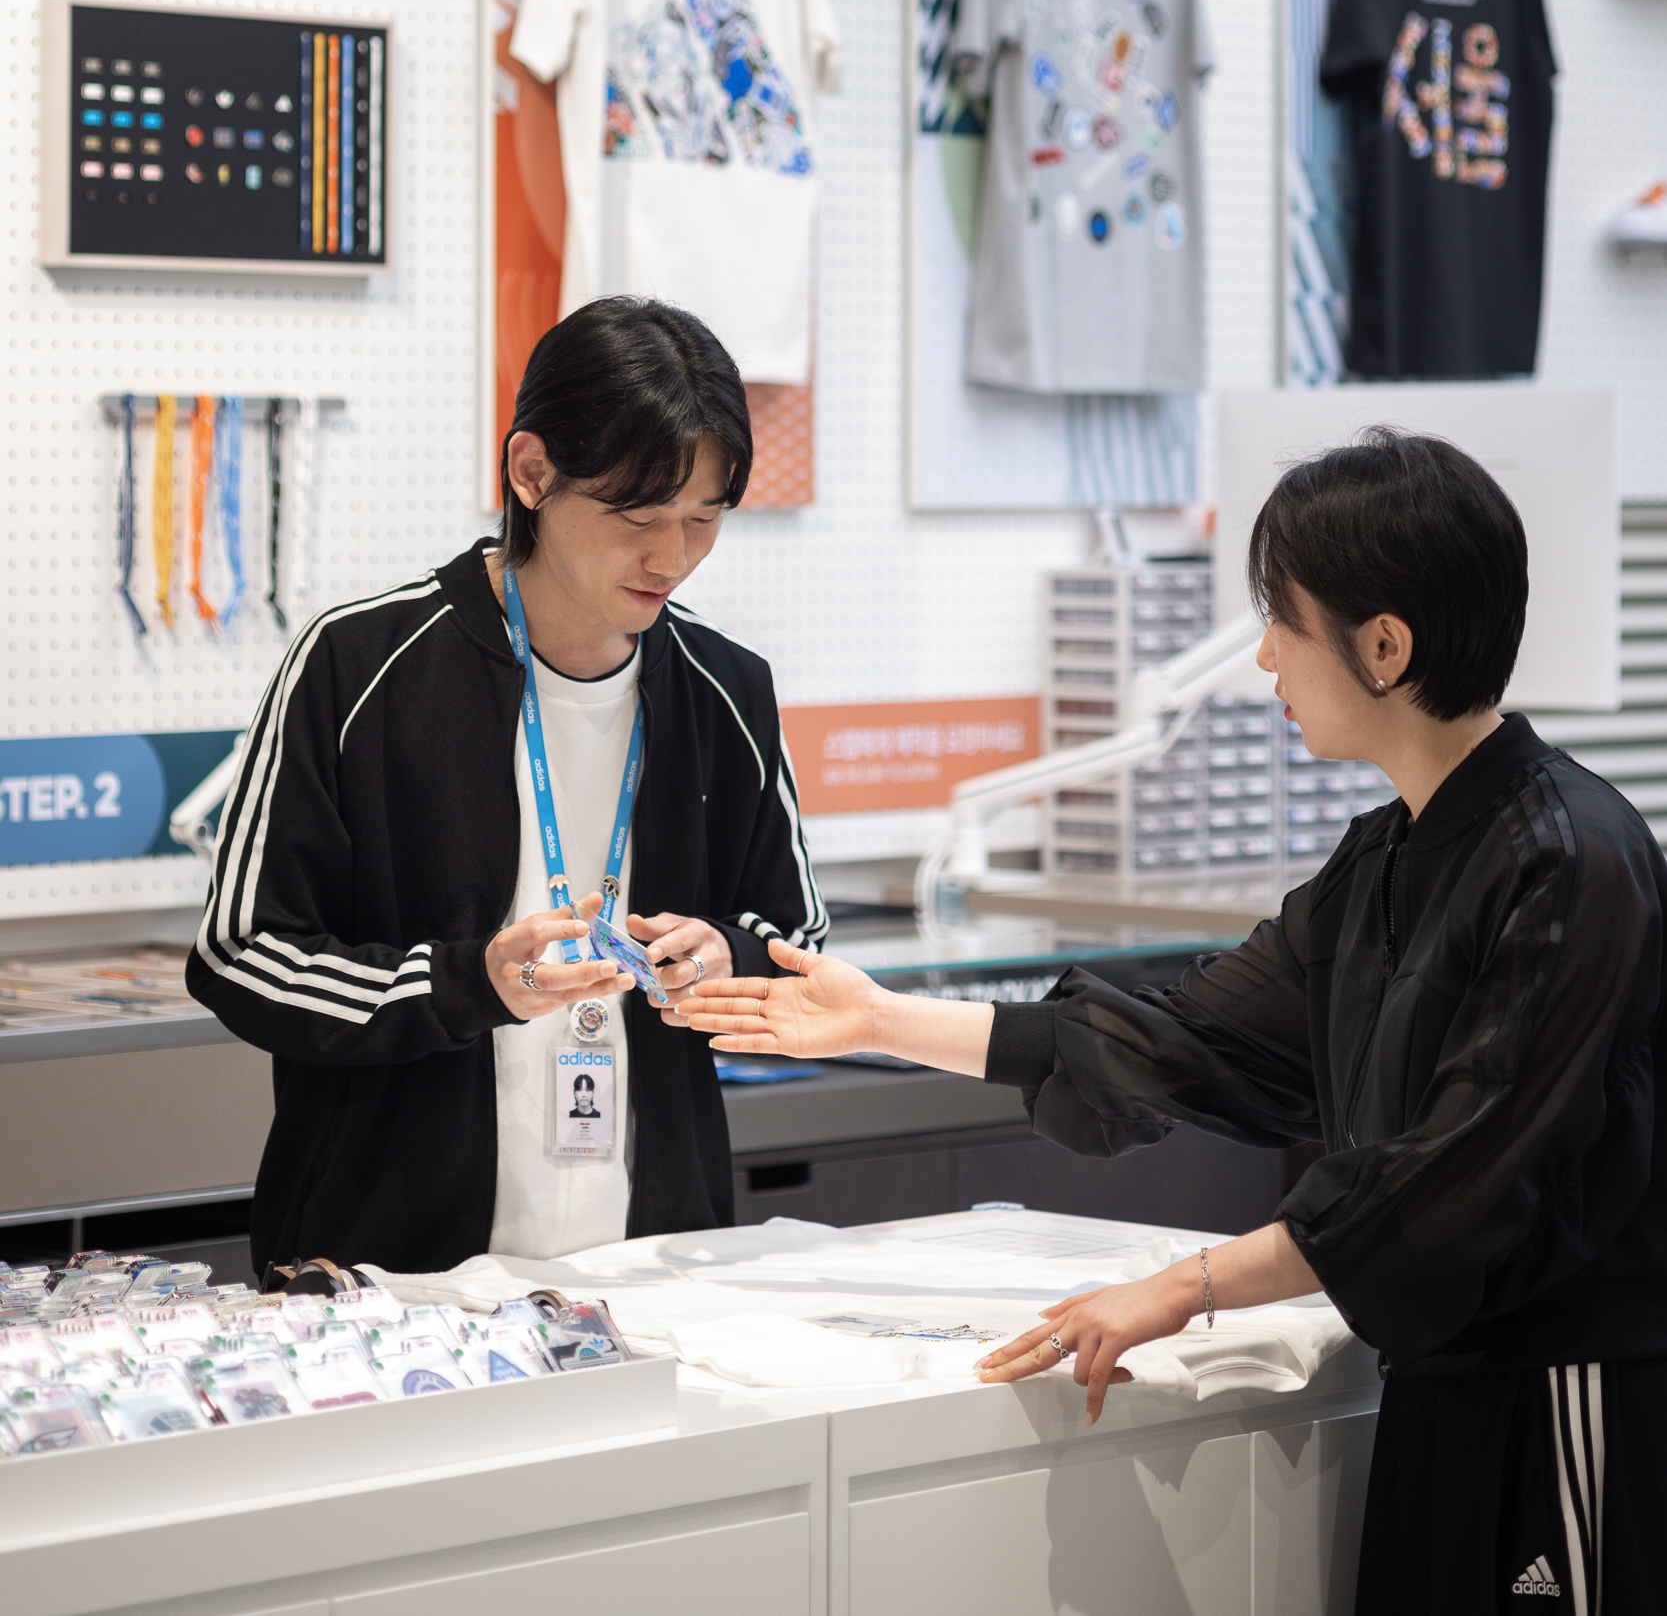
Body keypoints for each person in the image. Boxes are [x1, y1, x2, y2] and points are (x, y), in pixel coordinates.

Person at [681, 429, 1667, 1616]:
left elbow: (1449, 1178)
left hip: (1563, 1389)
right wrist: (879, 1016)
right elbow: (1186, 1035)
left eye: (1280, 623)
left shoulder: (1569, 859)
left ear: (1383, 645)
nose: (1260, 659)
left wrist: (1184, 1284)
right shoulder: (1387, 855)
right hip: (1436, 1388)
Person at [189, 296, 826, 1274]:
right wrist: (461, 984)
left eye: (703, 518)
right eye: (636, 514)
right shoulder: (359, 666)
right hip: (391, 1276)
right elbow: (242, 955)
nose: (671, 555)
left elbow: (801, 945)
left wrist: (727, 956)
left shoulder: (725, 687)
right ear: (531, 471)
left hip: (658, 1267)